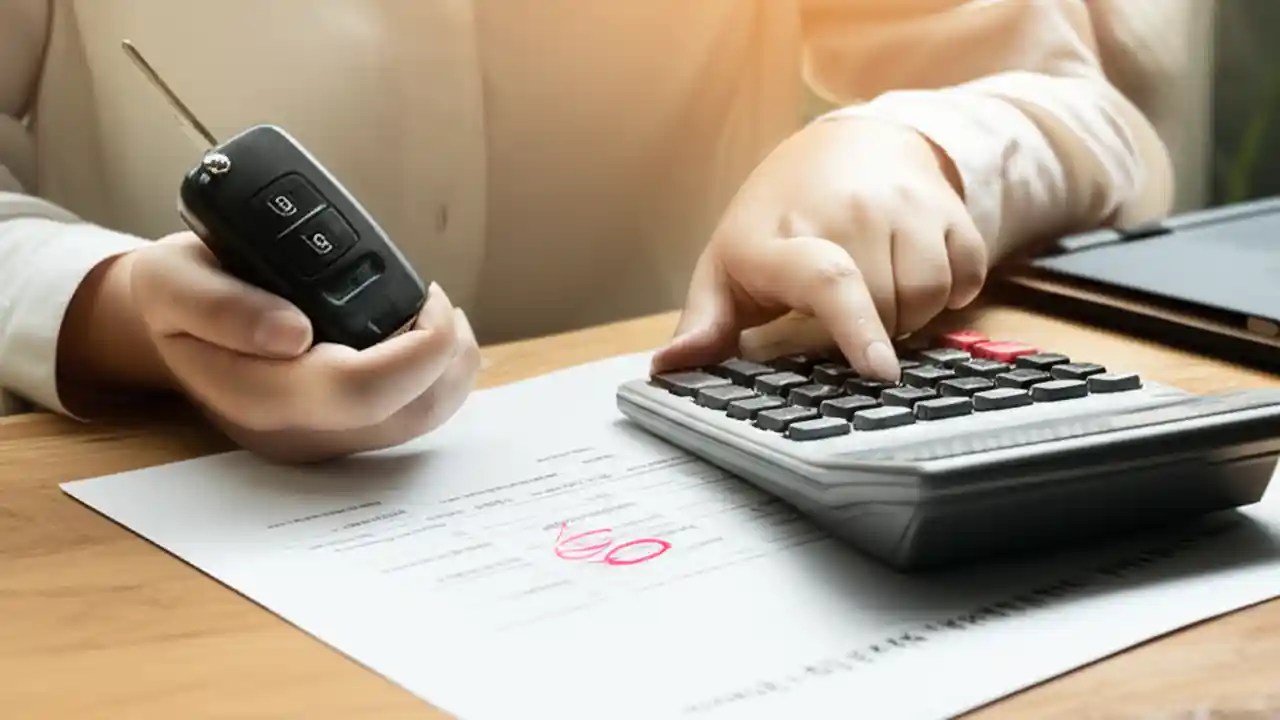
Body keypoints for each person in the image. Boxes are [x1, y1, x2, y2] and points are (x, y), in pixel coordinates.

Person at [0, 0, 1173, 462]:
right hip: (159, 516)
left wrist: (907, 146)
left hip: (709, 486)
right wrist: (117, 314)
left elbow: (1088, 120)